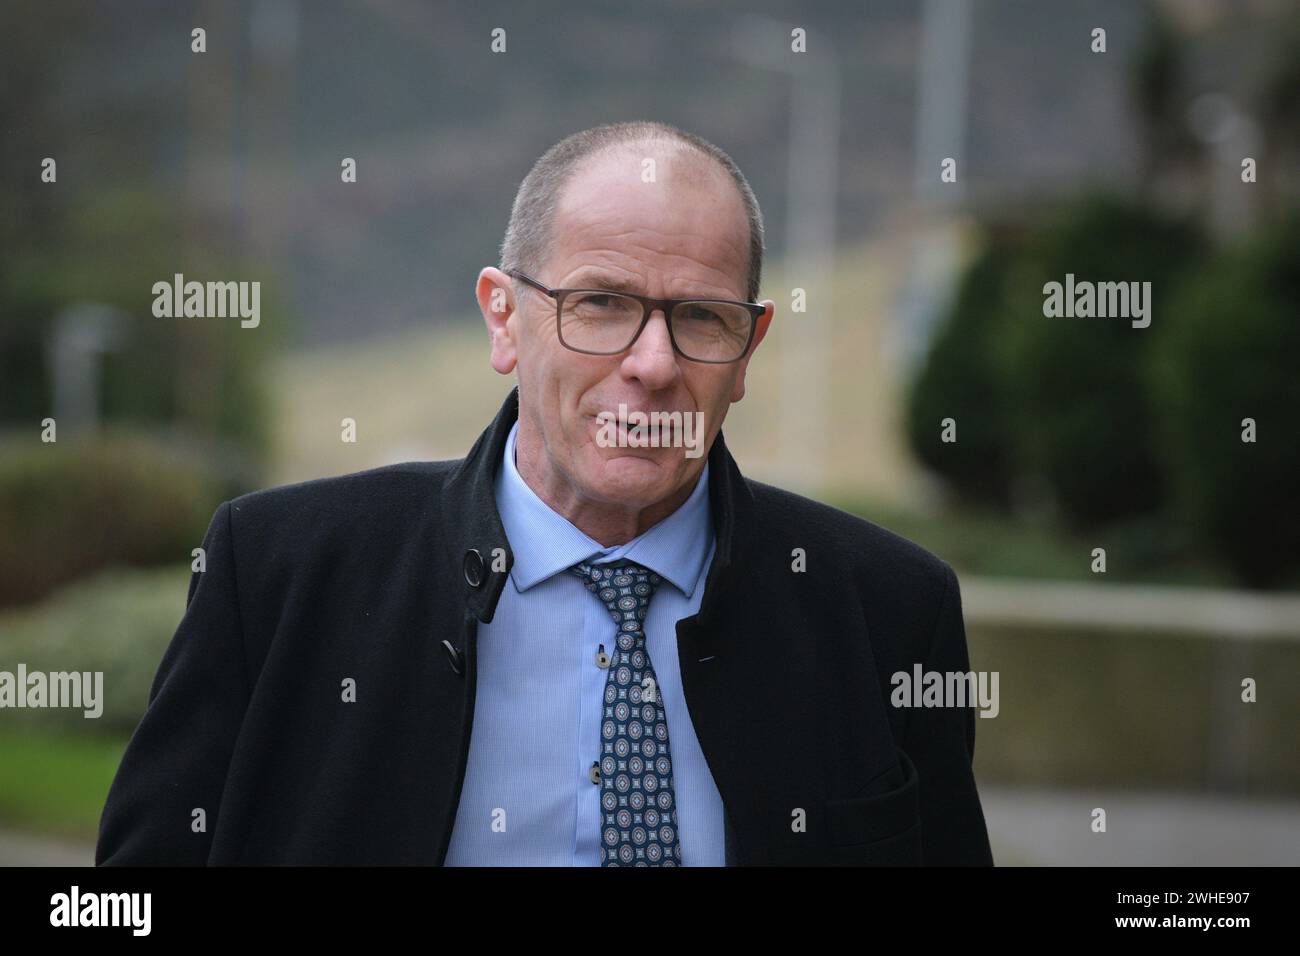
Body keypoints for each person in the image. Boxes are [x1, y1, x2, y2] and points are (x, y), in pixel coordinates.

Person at [96, 120, 993, 866]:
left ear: (749, 351)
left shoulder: (889, 611)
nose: (652, 365)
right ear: (504, 318)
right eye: (600, 303)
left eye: (700, 317)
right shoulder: (280, 572)